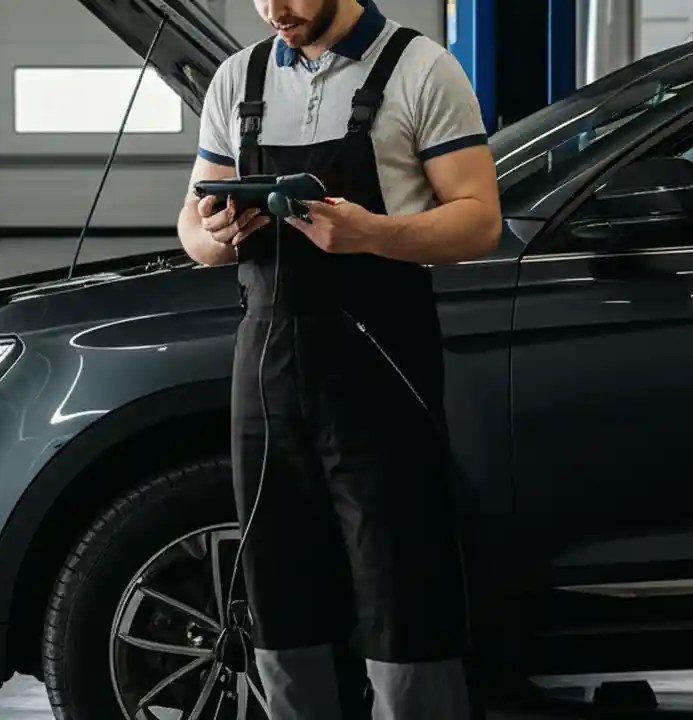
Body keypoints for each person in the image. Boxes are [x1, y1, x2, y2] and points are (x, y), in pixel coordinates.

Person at [175, 0, 502, 718]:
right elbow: (190, 227)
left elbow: (480, 218)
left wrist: (376, 234)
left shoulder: (421, 69)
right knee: (278, 580)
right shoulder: (239, 78)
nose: (272, 10)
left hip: (380, 357)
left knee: (399, 577)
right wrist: (216, 234)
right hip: (264, 363)